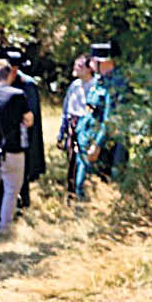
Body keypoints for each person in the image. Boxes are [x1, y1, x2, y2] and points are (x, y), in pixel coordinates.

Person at [0, 48, 45, 215]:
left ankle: (20, 205)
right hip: (0, 138)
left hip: (20, 138)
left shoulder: (27, 84)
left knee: (19, 178)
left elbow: (30, 116)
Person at [0, 58, 34, 232]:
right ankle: (5, 226)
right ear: (10, 74)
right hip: (13, 150)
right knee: (11, 191)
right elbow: (29, 120)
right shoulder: (18, 95)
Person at [73, 41, 128, 199]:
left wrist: (97, 145)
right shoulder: (99, 81)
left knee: (90, 190)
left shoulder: (116, 84)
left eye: (92, 60)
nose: (89, 64)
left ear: (101, 62)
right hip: (86, 142)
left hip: (100, 148)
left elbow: (110, 120)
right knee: (81, 187)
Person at [60, 54, 96, 198]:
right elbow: (65, 109)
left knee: (84, 160)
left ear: (89, 69)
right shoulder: (74, 85)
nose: (75, 68)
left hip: (86, 127)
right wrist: (61, 132)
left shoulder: (95, 86)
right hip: (72, 125)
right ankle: (71, 191)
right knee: (71, 159)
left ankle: (85, 192)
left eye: (80, 66)